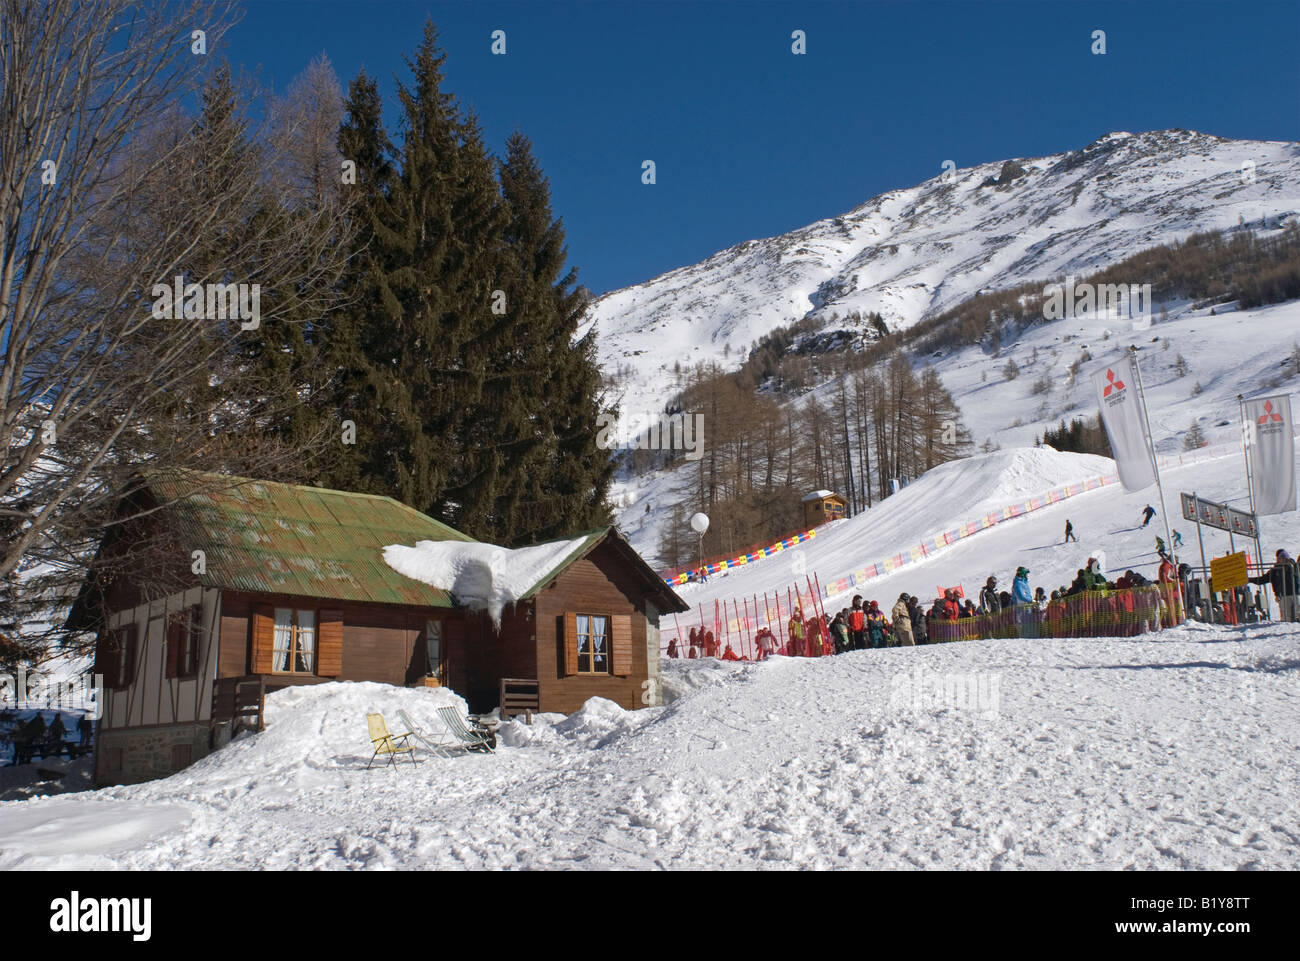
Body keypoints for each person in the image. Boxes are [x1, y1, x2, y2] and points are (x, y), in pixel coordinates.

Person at [1249, 549, 1300, 622]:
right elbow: (1263, 579)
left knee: (1298, 613)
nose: (1283, 560)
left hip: (1296, 594)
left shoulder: (1295, 566)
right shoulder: (1275, 570)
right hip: (1283, 595)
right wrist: (1249, 580)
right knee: (1286, 616)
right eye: (1281, 558)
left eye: (1285, 558)